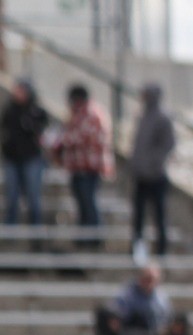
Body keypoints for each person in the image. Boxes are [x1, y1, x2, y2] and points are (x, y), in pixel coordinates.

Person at [48, 84, 112, 246]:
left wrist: (58, 141)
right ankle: (84, 238)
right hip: (78, 167)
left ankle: (93, 239)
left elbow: (79, 137)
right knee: (82, 204)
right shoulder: (77, 115)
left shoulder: (91, 114)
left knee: (88, 203)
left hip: (89, 168)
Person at [128, 82, 175, 258]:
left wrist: (153, 163)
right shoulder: (142, 116)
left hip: (156, 176)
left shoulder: (163, 117)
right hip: (140, 175)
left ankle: (161, 251)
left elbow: (169, 144)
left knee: (159, 216)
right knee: (138, 218)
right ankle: (137, 252)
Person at [2, 80, 51, 228]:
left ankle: (36, 229)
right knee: (11, 196)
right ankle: (11, 227)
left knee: (33, 196)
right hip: (12, 158)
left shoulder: (37, 111)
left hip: (32, 159)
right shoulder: (9, 110)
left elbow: (44, 133)